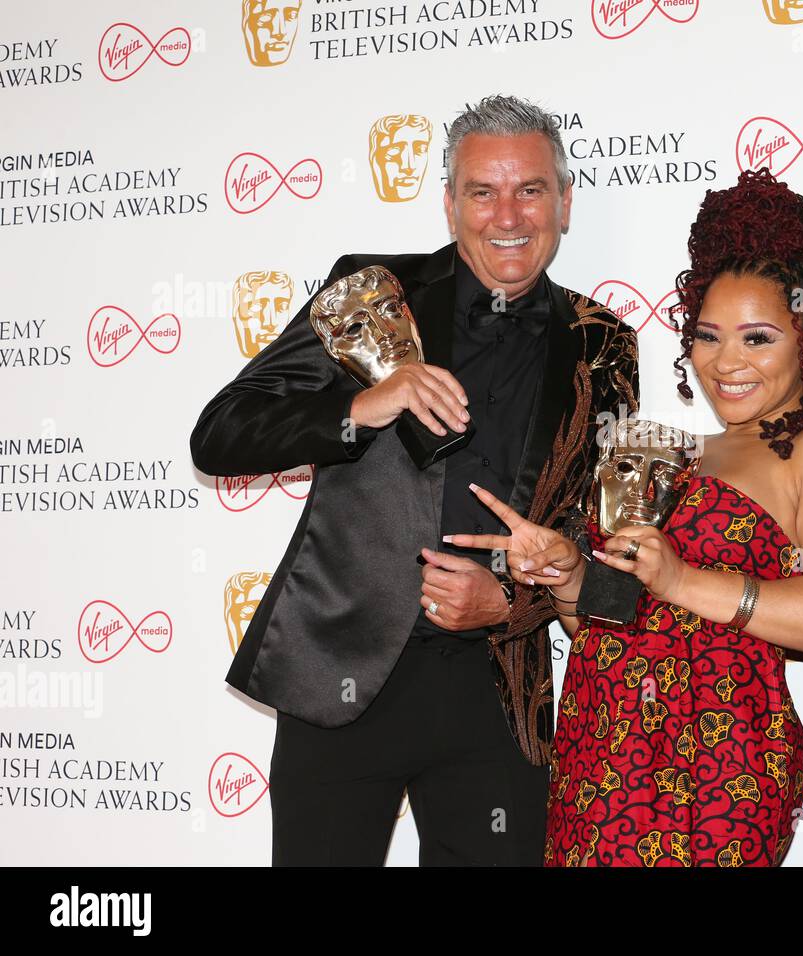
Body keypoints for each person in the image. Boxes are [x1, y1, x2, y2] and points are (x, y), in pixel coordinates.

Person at [189, 95, 639, 866]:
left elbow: (608, 556)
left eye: (530, 189)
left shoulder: (606, 346)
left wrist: (513, 601)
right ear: (448, 204)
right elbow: (220, 434)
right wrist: (362, 404)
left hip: (498, 701)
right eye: (482, 191)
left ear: (564, 202)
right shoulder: (371, 293)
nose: (508, 214)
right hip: (346, 680)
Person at [445, 169, 803, 866]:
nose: (727, 363)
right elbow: (616, 617)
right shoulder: (667, 453)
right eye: (709, 337)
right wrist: (567, 578)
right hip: (599, 762)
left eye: (758, 338)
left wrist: (682, 579)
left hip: (714, 772)